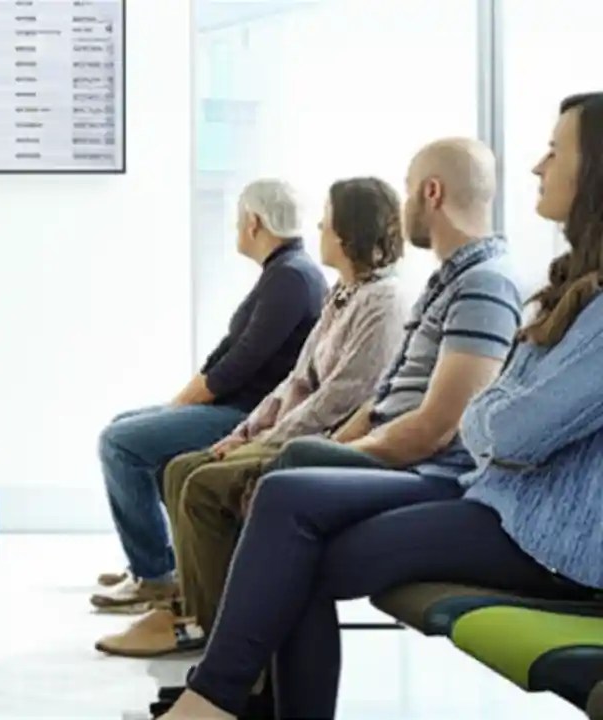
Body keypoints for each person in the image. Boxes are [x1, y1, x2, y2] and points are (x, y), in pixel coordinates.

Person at [161, 94, 603, 720]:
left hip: (543, 535)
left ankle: (214, 702)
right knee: (287, 505)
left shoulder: (514, 289)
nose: (537, 166)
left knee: (294, 533)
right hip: (500, 498)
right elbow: (497, 413)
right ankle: (219, 699)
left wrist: (491, 413)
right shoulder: (569, 287)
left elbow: (504, 427)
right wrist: (494, 412)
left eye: (556, 151)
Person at [95, 177, 408, 657]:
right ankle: (195, 607)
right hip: (273, 421)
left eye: (328, 219)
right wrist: (246, 433)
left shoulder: (371, 299)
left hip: (318, 436)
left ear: (347, 232)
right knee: (179, 467)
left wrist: (262, 437)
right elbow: (296, 381)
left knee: (174, 468)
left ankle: (190, 607)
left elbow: (340, 396)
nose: (319, 225)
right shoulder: (340, 292)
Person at [89, 179, 328, 611]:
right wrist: (177, 403)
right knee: (126, 425)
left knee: (119, 443)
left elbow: (239, 364)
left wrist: (181, 404)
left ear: (253, 223)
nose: (236, 226)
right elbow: (227, 351)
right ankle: (165, 563)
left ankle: (154, 576)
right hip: (234, 406)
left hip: (245, 414)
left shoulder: (291, 276)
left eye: (238, 218)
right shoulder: (284, 271)